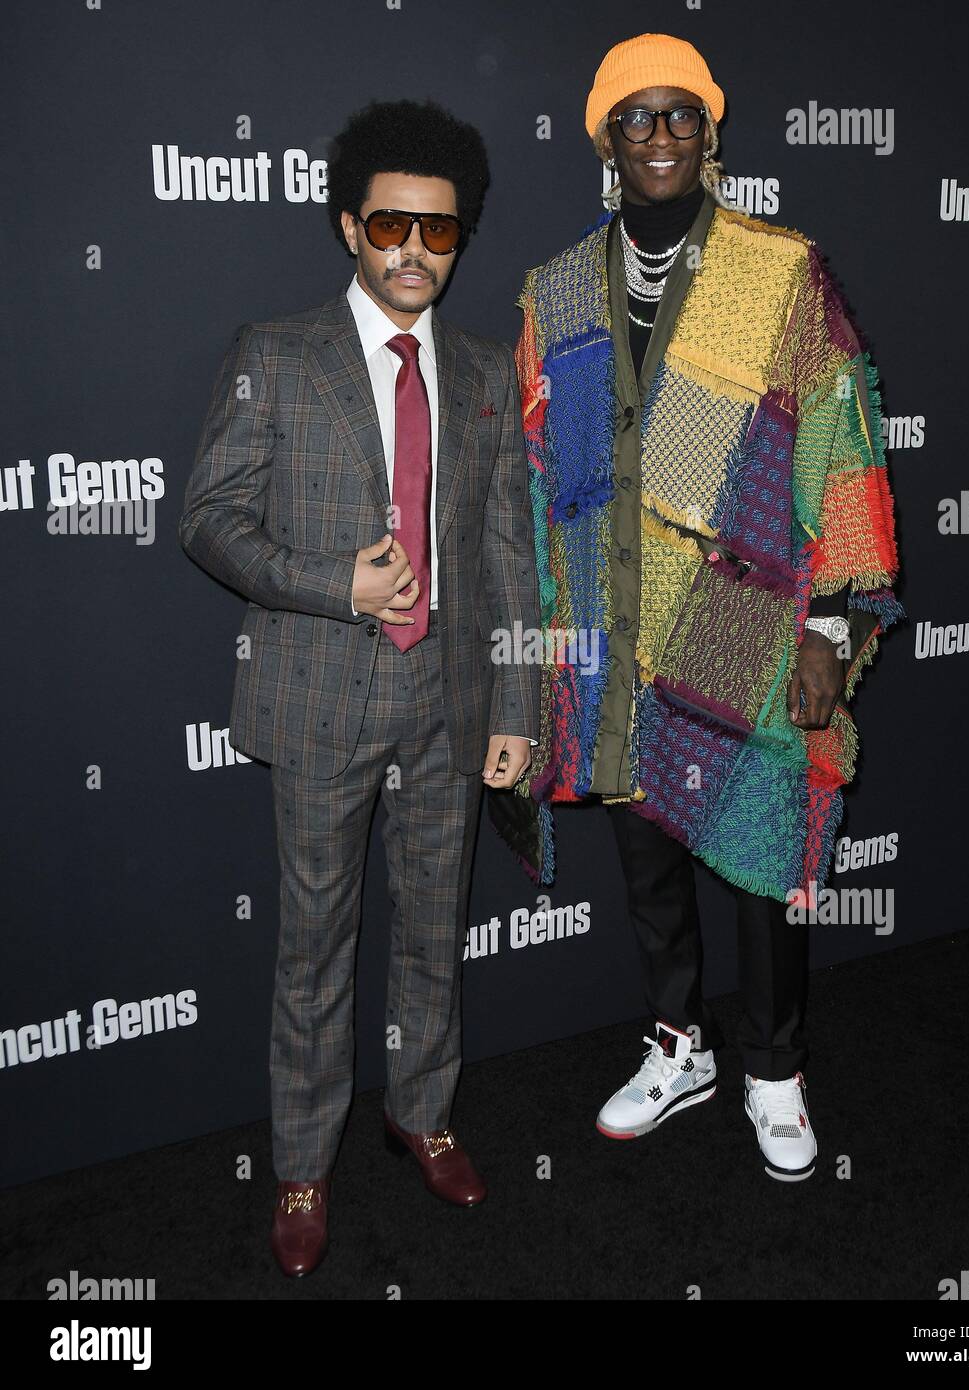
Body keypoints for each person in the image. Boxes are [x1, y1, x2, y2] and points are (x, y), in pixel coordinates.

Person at [489, 34, 903, 1182]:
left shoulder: (780, 271)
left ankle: (774, 1068)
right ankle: (677, 1042)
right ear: (605, 139)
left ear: (709, 133)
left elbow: (838, 440)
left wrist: (829, 623)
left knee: (760, 852)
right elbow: (531, 475)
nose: (659, 135)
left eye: (681, 115)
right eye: (636, 116)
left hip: (740, 616)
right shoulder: (555, 290)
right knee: (645, 855)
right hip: (612, 617)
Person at [179, 98, 540, 1275]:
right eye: (390, 225)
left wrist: (519, 705)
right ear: (349, 226)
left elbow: (508, 552)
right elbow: (208, 519)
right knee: (314, 951)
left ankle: (422, 1113)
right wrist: (334, 583)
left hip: (449, 706)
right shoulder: (275, 356)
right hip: (324, 700)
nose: (413, 251)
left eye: (438, 231)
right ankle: (300, 1163)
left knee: (434, 931)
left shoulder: (481, 374)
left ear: (459, 237)